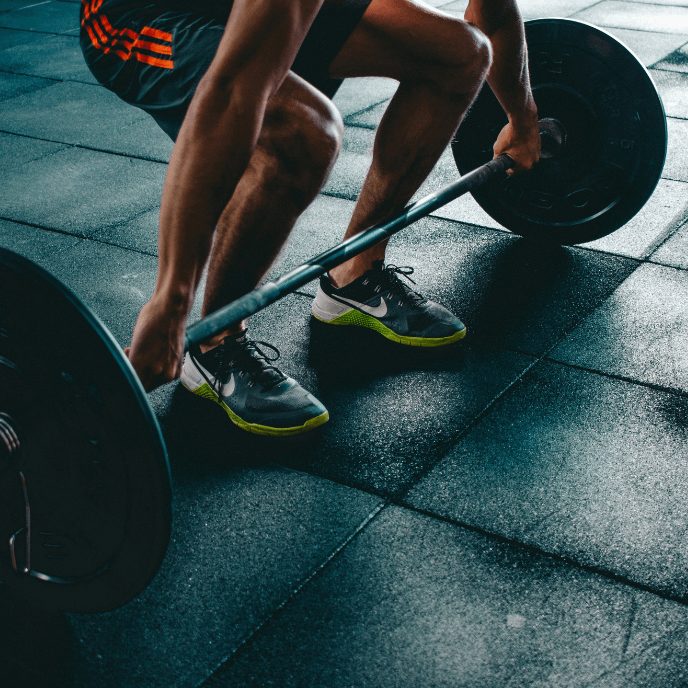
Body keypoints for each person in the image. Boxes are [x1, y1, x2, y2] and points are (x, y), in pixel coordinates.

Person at [80, 0, 540, 436]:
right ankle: (215, 344)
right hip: (140, 14)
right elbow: (234, 91)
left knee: (459, 54)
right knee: (305, 132)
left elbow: (492, 16)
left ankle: (354, 273)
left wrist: (522, 120)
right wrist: (171, 300)